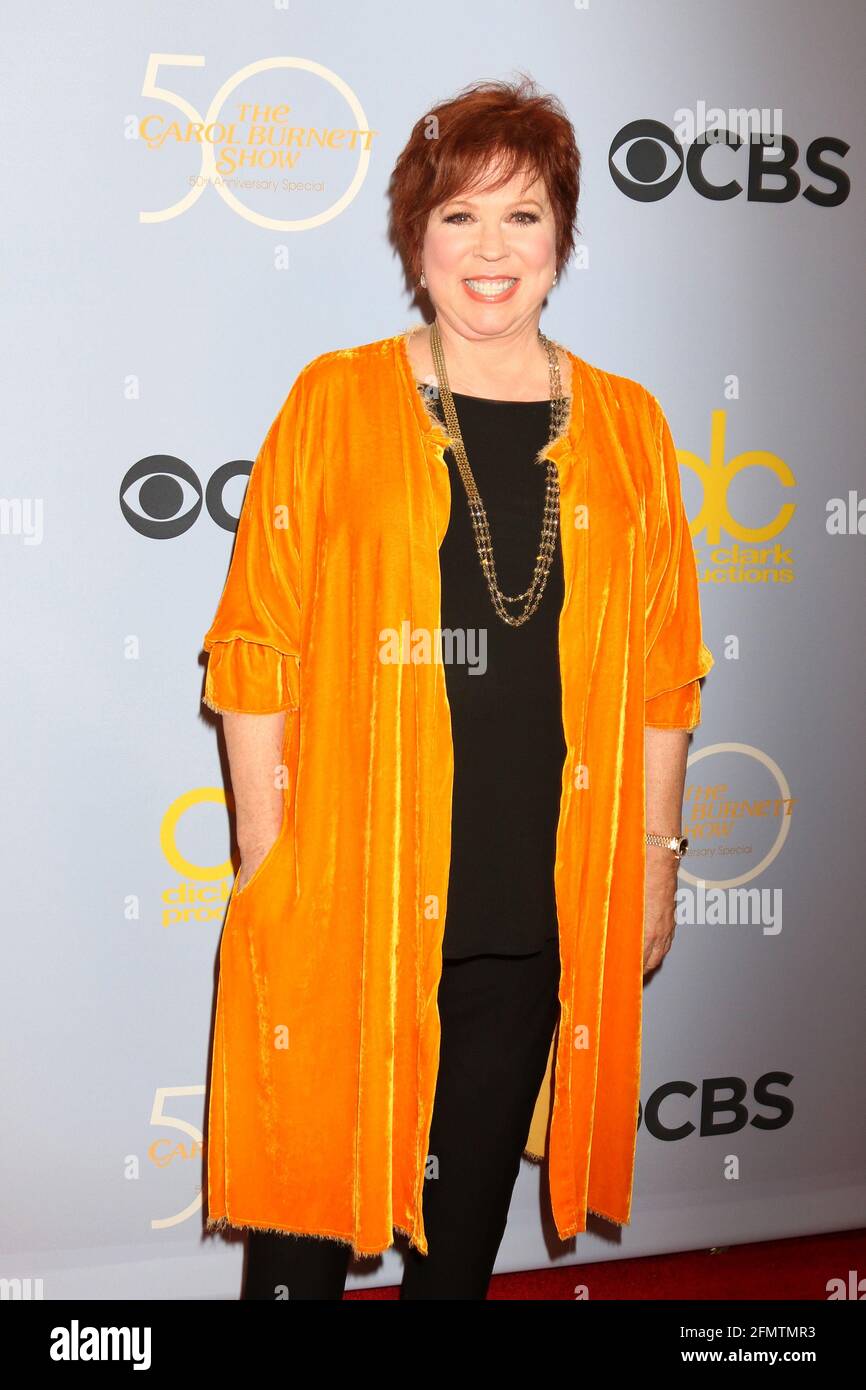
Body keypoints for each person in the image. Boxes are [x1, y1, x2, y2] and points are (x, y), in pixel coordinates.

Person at [200, 76, 714, 1300]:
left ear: (561, 243)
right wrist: (269, 864)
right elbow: (254, 648)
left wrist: (651, 858)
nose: (491, 252)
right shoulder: (335, 400)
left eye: (523, 218)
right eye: (459, 218)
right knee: (298, 1247)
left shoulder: (629, 427)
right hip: (350, 894)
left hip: (530, 906)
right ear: (414, 241)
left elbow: (660, 670)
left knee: (457, 1249)